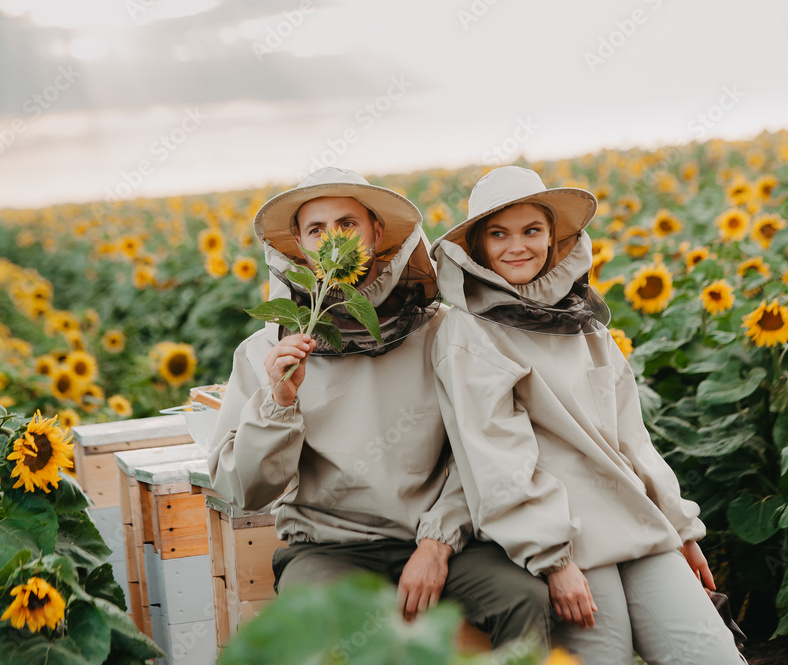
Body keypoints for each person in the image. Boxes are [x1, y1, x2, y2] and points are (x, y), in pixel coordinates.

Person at [206, 167, 552, 648]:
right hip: (327, 549)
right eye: (316, 230)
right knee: (321, 634)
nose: (333, 241)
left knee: (525, 598)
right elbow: (243, 489)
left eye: (347, 225)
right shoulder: (265, 351)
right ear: (300, 248)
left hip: (440, 539)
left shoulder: (440, 332)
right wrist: (278, 402)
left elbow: (476, 448)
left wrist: (437, 543)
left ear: (377, 232)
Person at [429, 166, 745, 664]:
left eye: (532, 231)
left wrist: (680, 528)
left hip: (634, 520)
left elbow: (632, 438)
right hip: (565, 534)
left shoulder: (582, 320)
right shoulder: (468, 332)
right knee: (604, 655)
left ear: (553, 237)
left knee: (711, 655)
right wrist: (554, 562)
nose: (517, 246)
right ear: (477, 246)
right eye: (499, 234)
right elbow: (495, 457)